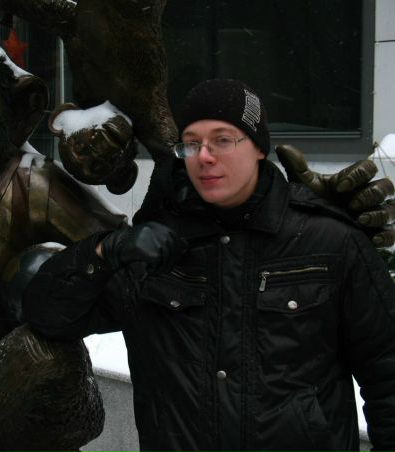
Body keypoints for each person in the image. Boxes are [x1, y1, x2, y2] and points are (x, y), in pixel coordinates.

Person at [23, 79, 395, 452]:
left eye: (223, 139)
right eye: (191, 143)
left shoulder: (327, 241)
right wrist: (105, 251)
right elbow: (47, 314)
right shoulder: (153, 252)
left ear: (258, 148)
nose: (204, 156)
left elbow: (387, 372)